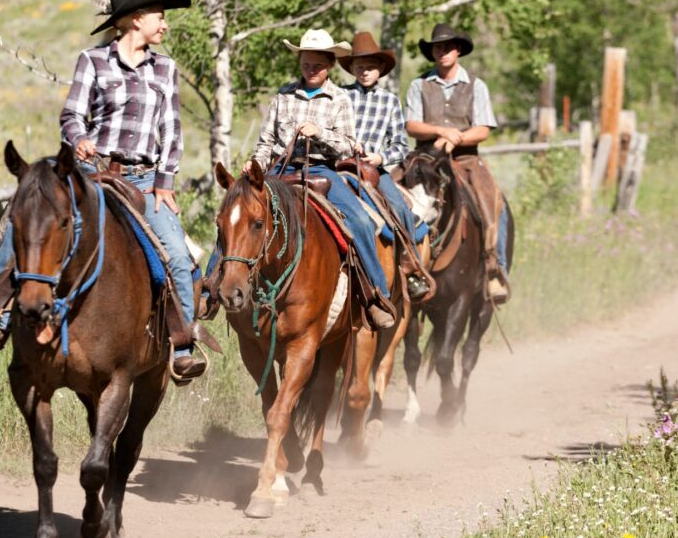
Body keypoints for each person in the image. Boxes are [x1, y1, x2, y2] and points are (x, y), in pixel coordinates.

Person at [0, 0, 207, 381]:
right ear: (135, 20)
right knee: (26, 225)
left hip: (142, 180)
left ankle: (181, 346)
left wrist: (165, 182)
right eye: (159, 18)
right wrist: (81, 140)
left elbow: (172, 131)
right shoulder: (93, 61)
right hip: (90, 173)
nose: (165, 25)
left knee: (177, 256)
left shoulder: (165, 69)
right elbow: (71, 114)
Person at [205, 28, 396, 329]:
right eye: (306, 63)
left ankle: (376, 296)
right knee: (236, 216)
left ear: (330, 64)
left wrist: (320, 133)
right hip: (279, 171)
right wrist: (255, 162)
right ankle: (210, 291)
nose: (311, 69)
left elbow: (348, 144)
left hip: (321, 171)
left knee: (360, 221)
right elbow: (266, 140)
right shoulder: (283, 95)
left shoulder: (340, 99)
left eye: (318, 64)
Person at [404, 22, 511, 303]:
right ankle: (402, 268)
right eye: (437, 47)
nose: (442, 51)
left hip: (466, 160)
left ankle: (493, 268)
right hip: (427, 159)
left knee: (493, 203)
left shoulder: (476, 85)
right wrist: (440, 132)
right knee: (392, 196)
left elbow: (483, 129)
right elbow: (412, 125)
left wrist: (457, 138)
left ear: (458, 50)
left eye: (448, 47)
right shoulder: (419, 85)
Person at [339, 31, 433, 302]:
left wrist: (380, 158)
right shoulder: (340, 96)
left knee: (402, 207)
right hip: (340, 165)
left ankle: (411, 266)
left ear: (380, 68)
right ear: (352, 68)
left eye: (370, 66)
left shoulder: (390, 100)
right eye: (359, 66)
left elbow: (401, 145)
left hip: (374, 171)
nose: (365, 71)